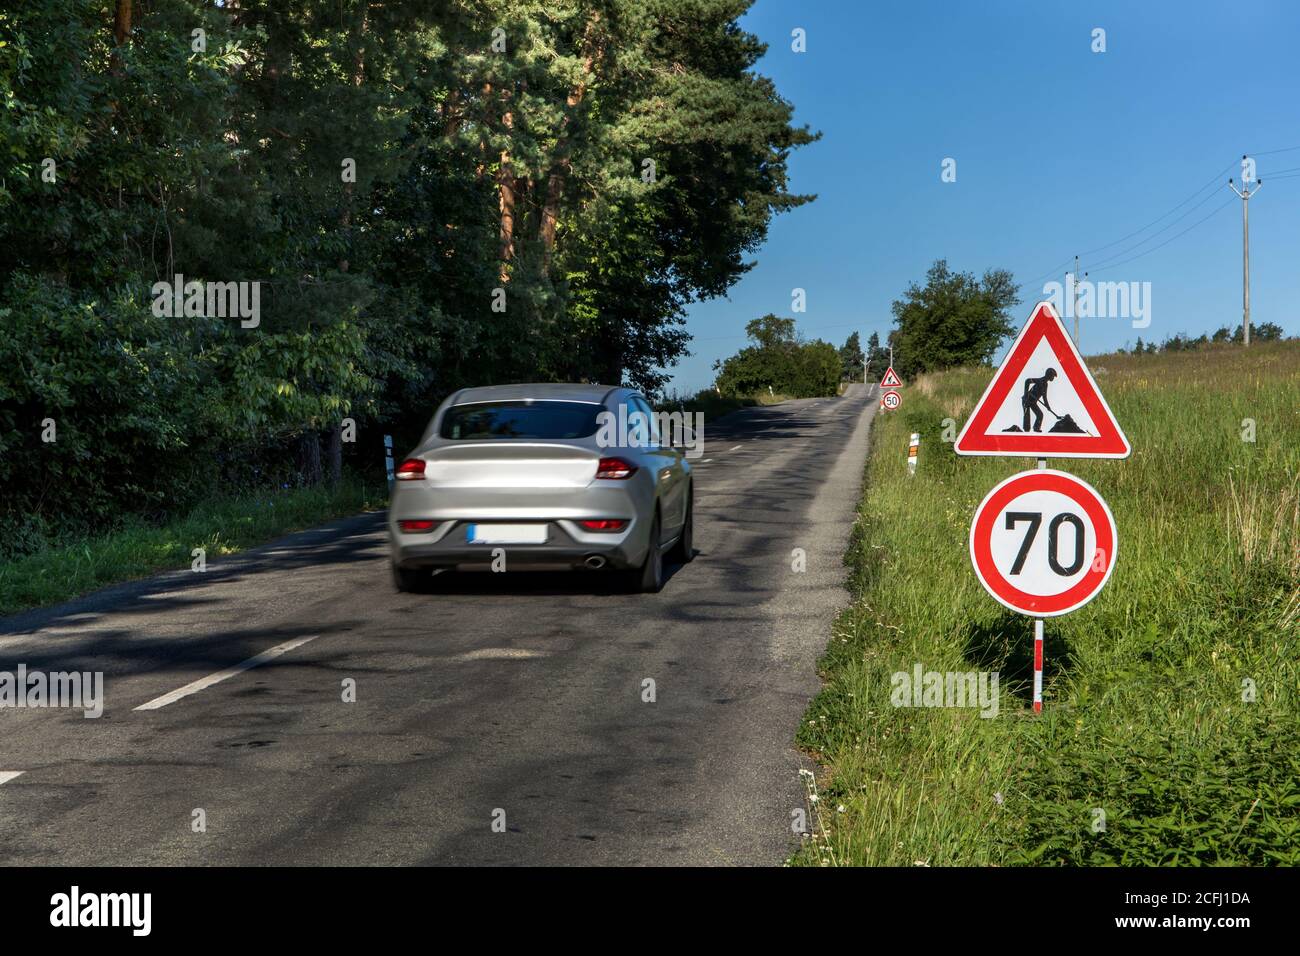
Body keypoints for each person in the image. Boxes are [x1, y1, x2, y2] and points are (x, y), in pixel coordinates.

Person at [1021, 368, 1058, 432]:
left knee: (1040, 415)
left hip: (1033, 402)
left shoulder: (1045, 384)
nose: (1053, 378)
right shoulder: (1040, 380)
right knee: (1027, 416)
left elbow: (1044, 397)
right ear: (1049, 375)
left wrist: (1048, 406)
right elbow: (1027, 381)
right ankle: (1026, 432)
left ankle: (1036, 428)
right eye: (1053, 376)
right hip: (1026, 400)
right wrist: (1026, 394)